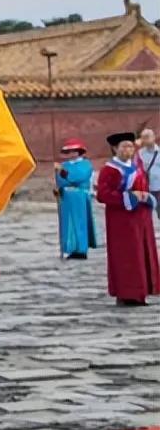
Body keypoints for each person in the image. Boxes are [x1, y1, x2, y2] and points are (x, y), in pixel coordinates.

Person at [96, 131, 160, 306]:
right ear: (115, 148)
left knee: (141, 254)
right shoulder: (110, 170)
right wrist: (128, 197)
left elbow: (144, 188)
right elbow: (103, 194)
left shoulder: (137, 168)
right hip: (121, 221)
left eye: (131, 146)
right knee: (126, 256)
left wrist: (145, 197)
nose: (128, 150)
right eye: (124, 146)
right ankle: (127, 294)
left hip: (141, 219)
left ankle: (141, 292)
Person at [55, 139, 99, 259]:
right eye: (68, 151)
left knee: (79, 222)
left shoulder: (85, 164)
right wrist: (60, 187)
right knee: (67, 223)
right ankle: (69, 248)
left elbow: (78, 177)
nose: (70, 154)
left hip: (80, 197)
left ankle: (81, 249)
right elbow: (61, 181)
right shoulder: (64, 165)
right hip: (66, 197)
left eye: (73, 151)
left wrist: (64, 173)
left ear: (79, 152)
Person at [139, 128, 160, 217]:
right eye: (144, 137)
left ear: (154, 137)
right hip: (146, 187)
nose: (146, 140)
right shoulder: (140, 153)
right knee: (146, 213)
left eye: (148, 137)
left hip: (159, 187)